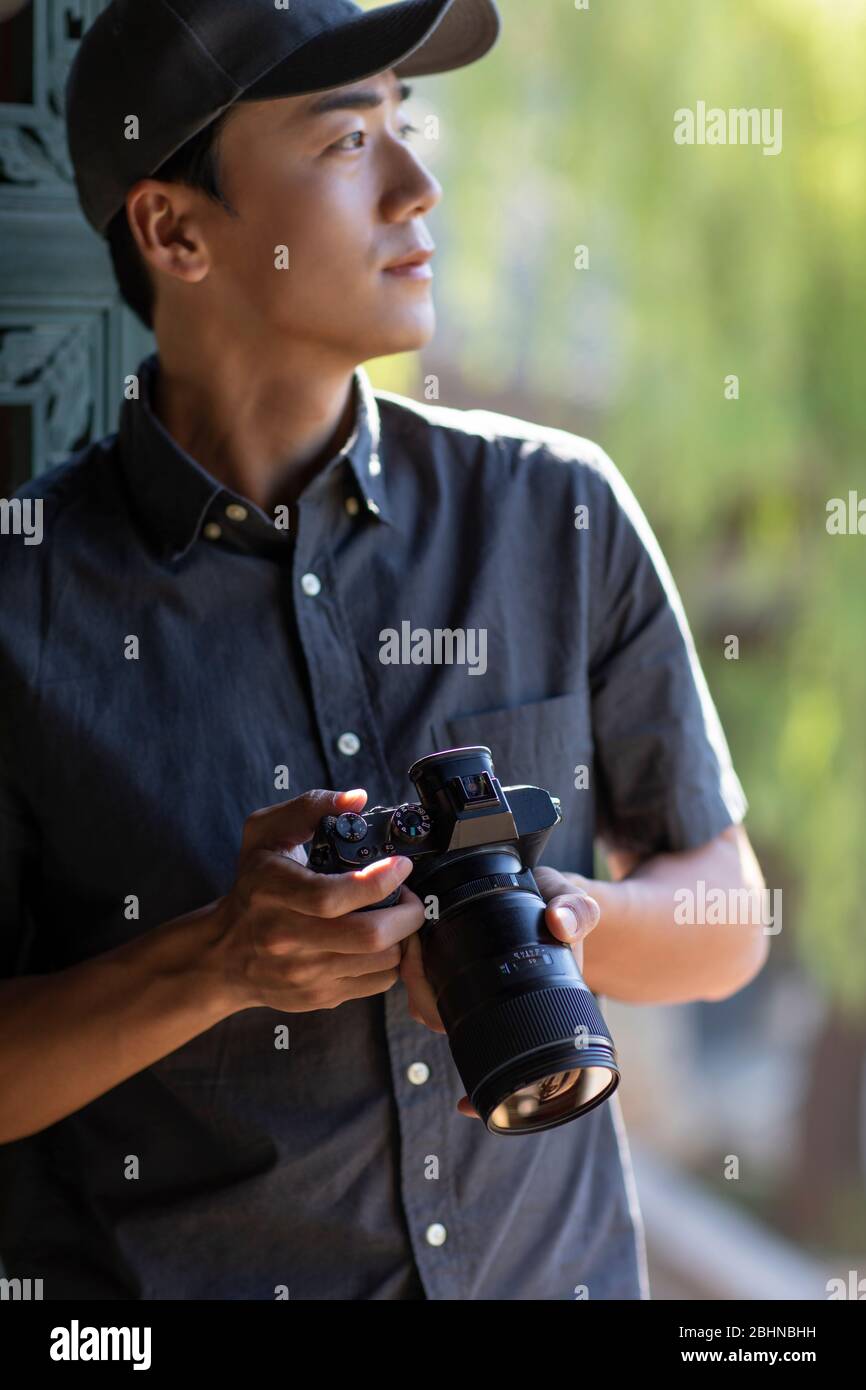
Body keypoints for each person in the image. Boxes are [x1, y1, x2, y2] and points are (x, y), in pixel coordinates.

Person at [0, 0, 767, 1300]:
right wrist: (217, 957)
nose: (420, 184)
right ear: (174, 228)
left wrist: (575, 920)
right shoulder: (25, 603)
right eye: (348, 140)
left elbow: (729, 911)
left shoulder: (556, 509)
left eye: (403, 125)